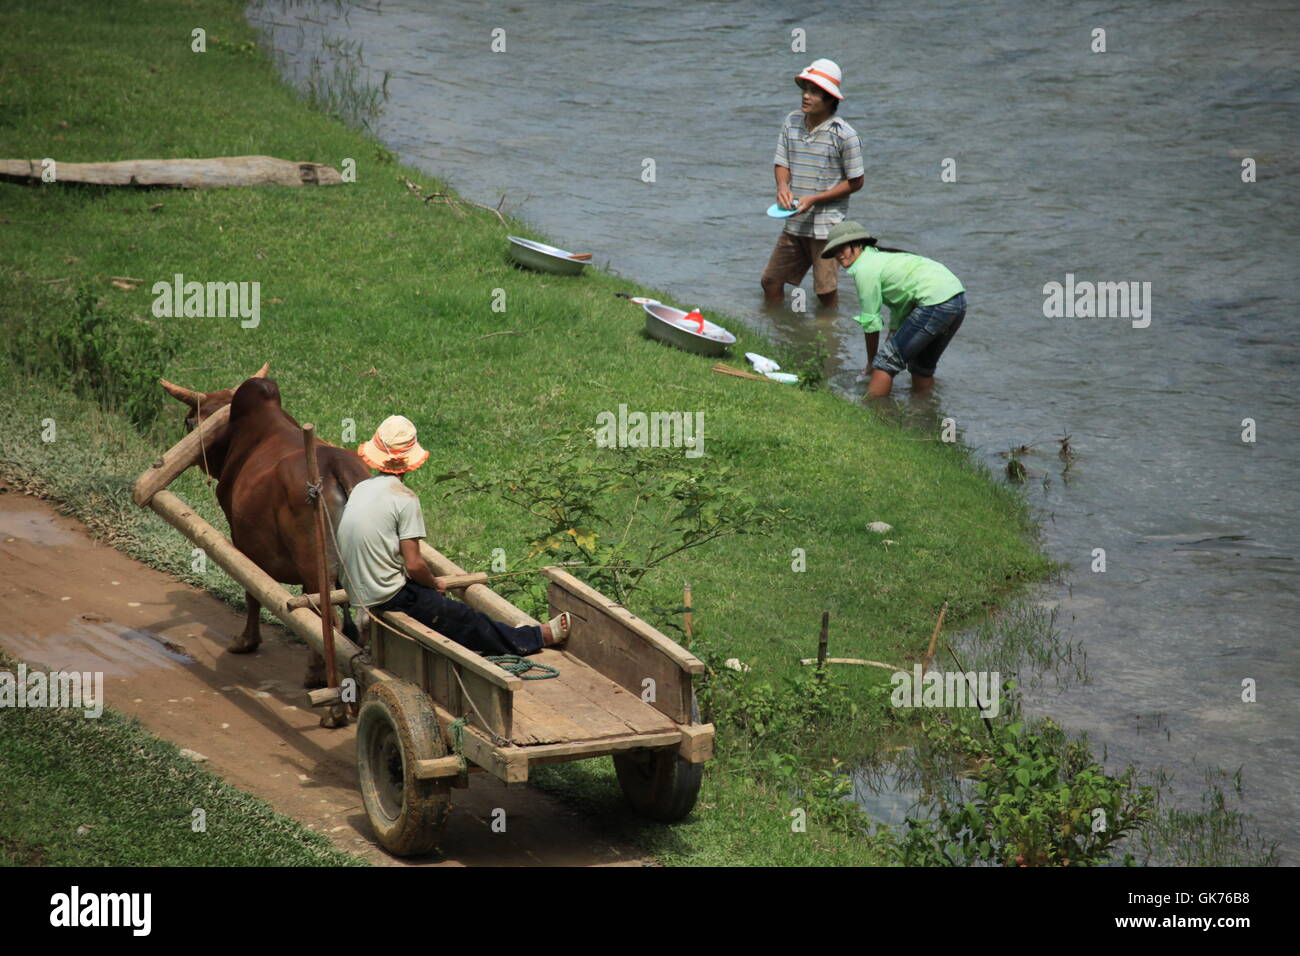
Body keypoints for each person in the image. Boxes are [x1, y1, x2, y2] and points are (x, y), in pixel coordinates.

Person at [337, 415, 570, 656]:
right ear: (410, 460)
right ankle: (533, 637)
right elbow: (414, 565)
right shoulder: (404, 498)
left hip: (357, 589)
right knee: (463, 617)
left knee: (430, 601)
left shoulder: (361, 488)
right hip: (386, 594)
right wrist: (434, 582)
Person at [761, 58, 865, 310]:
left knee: (825, 292)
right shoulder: (792, 121)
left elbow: (856, 181)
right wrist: (782, 187)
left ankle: (828, 338)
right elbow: (782, 162)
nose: (806, 96)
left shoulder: (845, 135)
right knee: (771, 281)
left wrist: (815, 199)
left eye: (814, 92)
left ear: (831, 99)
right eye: (805, 90)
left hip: (827, 227)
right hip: (794, 219)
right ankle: (777, 328)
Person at [820, 221, 966, 398]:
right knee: (922, 367)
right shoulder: (882, 258)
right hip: (957, 299)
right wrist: (892, 337)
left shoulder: (865, 268)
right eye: (835, 253)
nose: (839, 256)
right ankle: (922, 411)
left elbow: (870, 322)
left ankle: (873, 415)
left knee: (885, 363)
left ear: (858, 244)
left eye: (842, 249)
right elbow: (901, 306)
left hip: (935, 301)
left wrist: (871, 363)